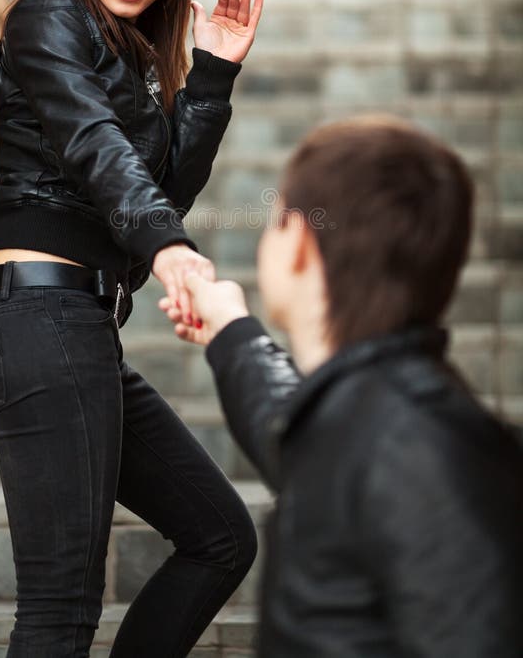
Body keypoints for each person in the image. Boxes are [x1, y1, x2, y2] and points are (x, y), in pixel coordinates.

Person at [0, 0, 263, 658]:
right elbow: (96, 150)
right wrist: (168, 249)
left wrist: (214, 76)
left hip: (74, 324)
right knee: (61, 609)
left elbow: (164, 182)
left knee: (220, 536)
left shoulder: (127, 45)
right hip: (34, 312)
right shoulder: (48, 16)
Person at [161, 116, 523, 658]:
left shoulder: (421, 448)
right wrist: (231, 331)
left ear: (300, 243)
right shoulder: (375, 414)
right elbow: (297, 430)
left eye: (276, 216)